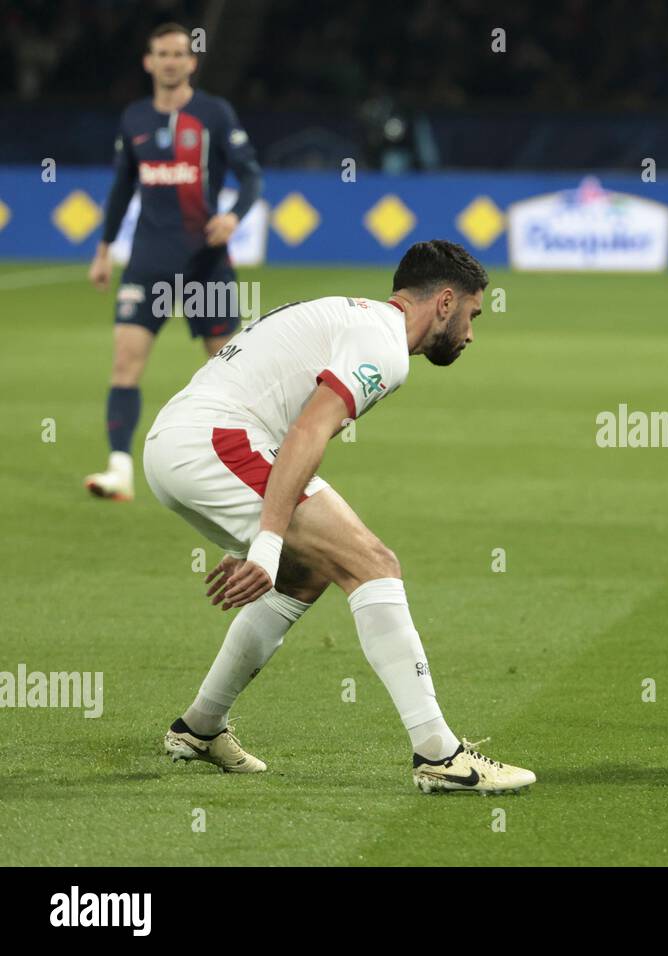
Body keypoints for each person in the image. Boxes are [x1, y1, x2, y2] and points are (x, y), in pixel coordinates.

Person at [143, 239, 535, 795]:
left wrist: (262, 543)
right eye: (472, 314)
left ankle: (200, 727)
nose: (471, 333)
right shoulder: (383, 344)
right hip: (214, 443)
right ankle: (440, 755)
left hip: (186, 444)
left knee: (307, 573)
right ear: (444, 302)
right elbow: (308, 431)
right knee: (372, 563)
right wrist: (266, 542)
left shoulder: (356, 318)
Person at [85, 22, 262, 502]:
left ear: (192, 61)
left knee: (230, 368)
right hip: (147, 262)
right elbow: (122, 189)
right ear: (149, 61)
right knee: (125, 363)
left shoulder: (214, 114)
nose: (170, 61)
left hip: (206, 262)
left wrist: (233, 215)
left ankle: (252, 464)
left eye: (179, 54)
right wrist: (103, 251)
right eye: (161, 53)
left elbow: (251, 176)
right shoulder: (134, 118)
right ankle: (119, 469)